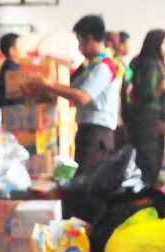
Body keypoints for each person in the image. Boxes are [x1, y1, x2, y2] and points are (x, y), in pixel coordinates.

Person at [25, 14, 121, 176]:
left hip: (97, 133)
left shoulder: (103, 67)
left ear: (89, 39)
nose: (79, 48)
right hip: (89, 131)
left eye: (80, 42)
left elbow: (82, 96)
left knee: (88, 183)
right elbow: (71, 90)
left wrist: (49, 85)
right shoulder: (90, 67)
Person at [125, 29, 165, 186]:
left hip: (152, 118)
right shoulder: (150, 64)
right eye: (164, 43)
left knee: (152, 158)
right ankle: (144, 198)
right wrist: (162, 88)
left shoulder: (157, 63)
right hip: (146, 119)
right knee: (147, 159)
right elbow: (145, 93)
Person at [0, 32, 22, 108]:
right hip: (10, 116)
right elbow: (17, 99)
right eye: (22, 46)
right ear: (12, 51)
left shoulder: (14, 67)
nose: (25, 48)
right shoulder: (11, 71)